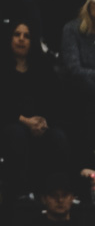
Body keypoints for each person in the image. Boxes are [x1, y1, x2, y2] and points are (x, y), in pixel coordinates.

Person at [2, 20, 70, 195]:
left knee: (58, 136)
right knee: (16, 133)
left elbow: (57, 100)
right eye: (17, 35)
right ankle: (21, 194)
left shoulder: (42, 68)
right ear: (9, 39)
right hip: (10, 123)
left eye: (26, 36)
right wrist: (25, 121)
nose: (21, 39)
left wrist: (43, 121)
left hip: (40, 125)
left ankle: (53, 194)